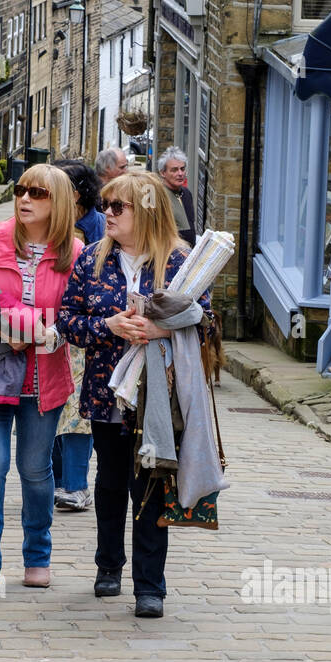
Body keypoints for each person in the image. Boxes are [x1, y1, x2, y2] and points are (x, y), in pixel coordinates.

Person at [57, 169, 210, 619]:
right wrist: (109, 326)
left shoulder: (180, 262)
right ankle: (108, 565)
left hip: (159, 397)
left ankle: (150, 585)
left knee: (148, 486)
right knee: (109, 483)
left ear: (144, 211)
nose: (107, 213)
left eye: (116, 207)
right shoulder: (92, 262)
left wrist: (161, 326)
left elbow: (208, 320)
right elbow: (66, 321)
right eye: (105, 205)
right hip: (108, 394)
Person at [0, 164, 82, 606]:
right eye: (21, 189)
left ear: (58, 202)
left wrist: (51, 335)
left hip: (43, 378)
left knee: (34, 471)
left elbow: (76, 314)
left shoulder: (76, 253)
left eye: (37, 192)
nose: (25, 198)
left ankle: (37, 556)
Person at [49, 159, 104, 512]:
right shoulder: (51, 225)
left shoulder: (96, 226)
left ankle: (74, 485)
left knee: (77, 413)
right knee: (51, 408)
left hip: (80, 333)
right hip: (49, 330)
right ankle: (52, 482)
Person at [158, 146, 197, 246]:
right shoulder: (157, 196)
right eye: (174, 170)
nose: (180, 173)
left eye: (182, 169)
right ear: (163, 173)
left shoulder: (187, 194)